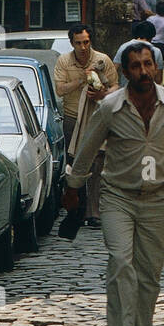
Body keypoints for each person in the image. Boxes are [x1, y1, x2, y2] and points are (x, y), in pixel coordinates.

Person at [63, 43, 164, 326]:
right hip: (117, 196)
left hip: (157, 198)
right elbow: (87, 148)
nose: (143, 71)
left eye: (148, 64)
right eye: (136, 66)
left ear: (156, 67)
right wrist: (73, 187)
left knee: (149, 273)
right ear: (125, 72)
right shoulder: (110, 107)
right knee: (122, 262)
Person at [54, 25, 119, 229]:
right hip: (73, 118)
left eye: (86, 42)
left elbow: (116, 87)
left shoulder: (102, 60)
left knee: (98, 162)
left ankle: (94, 212)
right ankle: (78, 209)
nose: (83, 47)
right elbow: (60, 89)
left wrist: (101, 95)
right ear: (72, 43)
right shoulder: (64, 61)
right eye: (79, 43)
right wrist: (82, 78)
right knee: (76, 164)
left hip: (97, 117)